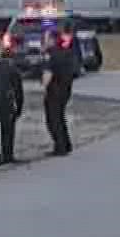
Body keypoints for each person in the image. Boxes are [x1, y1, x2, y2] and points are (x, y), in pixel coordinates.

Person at [42, 28, 78, 156]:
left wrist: (44, 87)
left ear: (52, 40)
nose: (44, 41)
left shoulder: (51, 54)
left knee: (53, 120)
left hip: (54, 91)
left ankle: (60, 147)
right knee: (60, 117)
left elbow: (48, 73)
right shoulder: (66, 52)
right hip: (65, 90)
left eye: (46, 39)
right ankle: (66, 144)